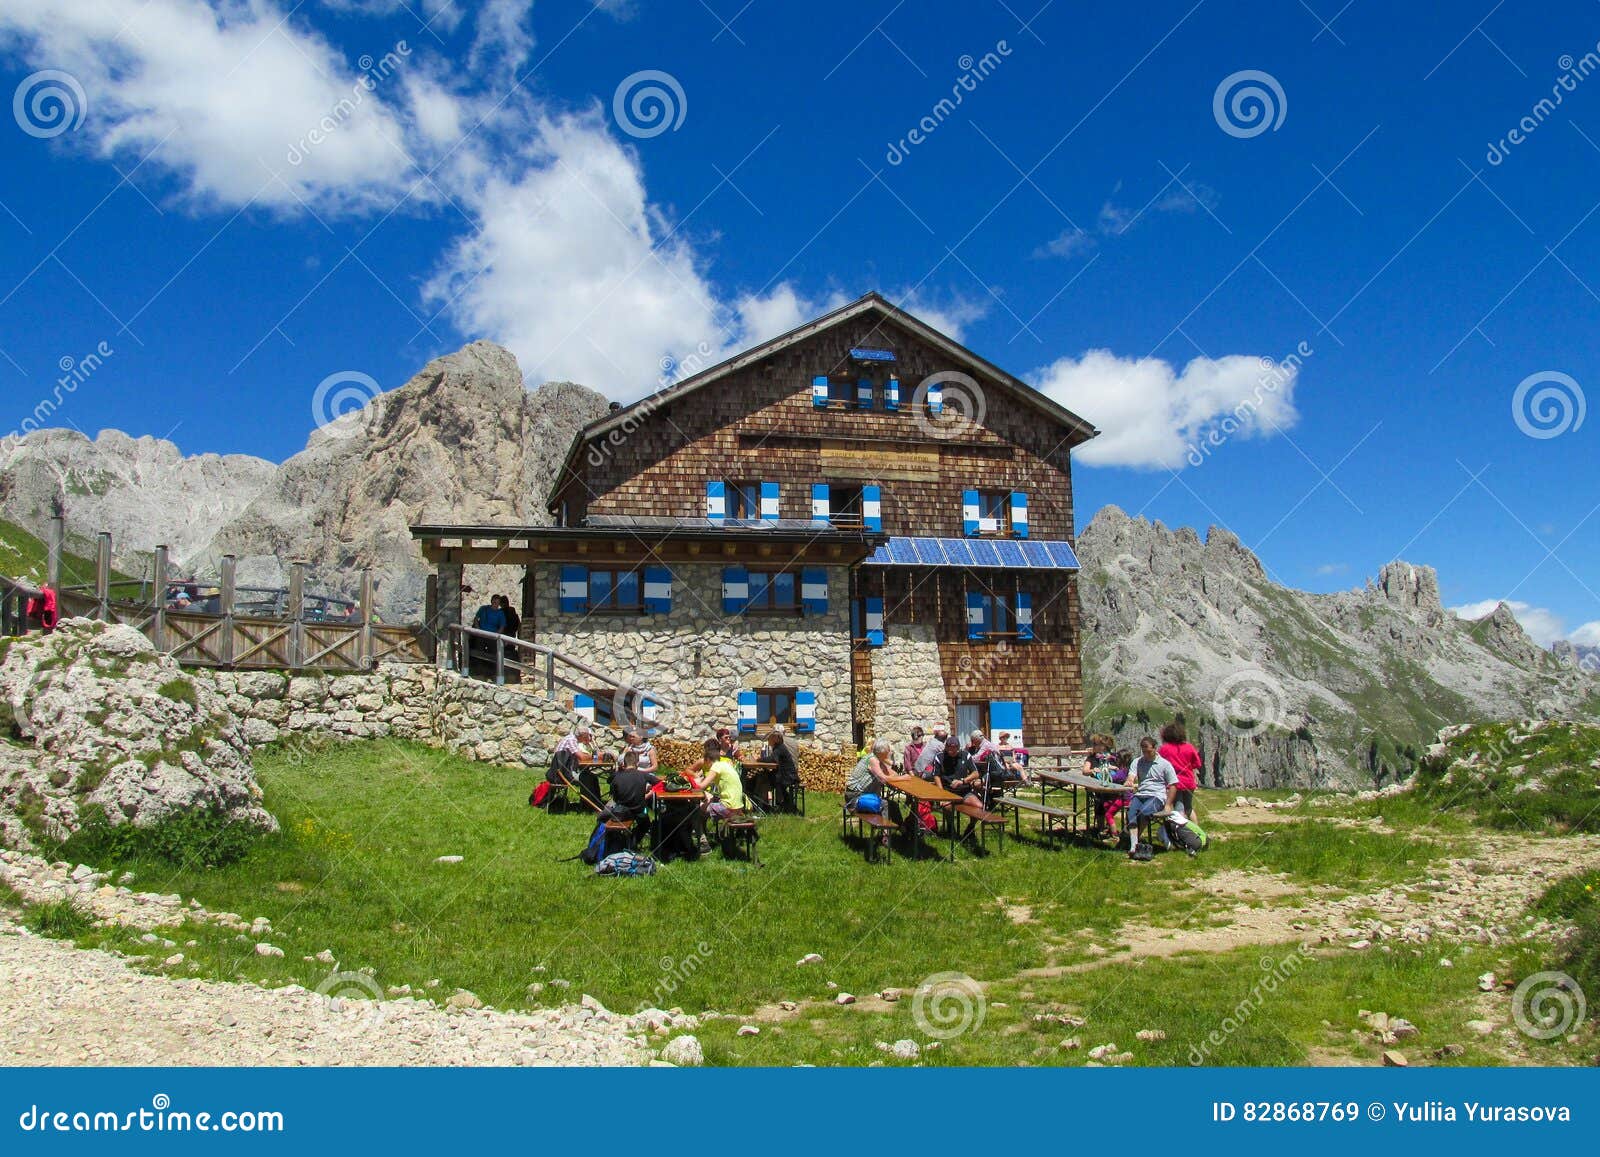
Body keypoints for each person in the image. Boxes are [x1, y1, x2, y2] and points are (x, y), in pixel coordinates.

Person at [1126, 736, 1179, 860]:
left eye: (1148, 751)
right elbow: (1131, 776)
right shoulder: (1137, 761)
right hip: (1140, 794)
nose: (1146, 754)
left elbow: (1173, 785)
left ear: (1155, 749)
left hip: (1156, 796)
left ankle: (1135, 840)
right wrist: (1129, 781)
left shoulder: (1165, 764)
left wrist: (1168, 803)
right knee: (1131, 813)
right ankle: (1133, 846)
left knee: (1145, 812)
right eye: (1143, 751)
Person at [603, 750, 660, 826]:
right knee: (646, 824)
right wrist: (650, 793)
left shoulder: (617, 776)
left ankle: (628, 836)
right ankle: (634, 837)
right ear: (637, 763)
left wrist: (617, 769)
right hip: (640, 810)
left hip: (620, 811)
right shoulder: (643, 775)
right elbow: (659, 783)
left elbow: (609, 782)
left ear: (624, 763)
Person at [1158, 720, 1202, 819]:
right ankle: (1196, 831)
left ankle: (1183, 831)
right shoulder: (1189, 747)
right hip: (1189, 782)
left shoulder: (1164, 749)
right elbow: (1197, 764)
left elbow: (1159, 765)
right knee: (1188, 807)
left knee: (1179, 808)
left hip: (1174, 783)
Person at [761, 726, 801, 814]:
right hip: (788, 775)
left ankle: (768, 805)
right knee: (767, 777)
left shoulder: (779, 748)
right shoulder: (779, 747)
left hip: (787, 776)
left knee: (765, 779)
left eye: (769, 739)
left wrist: (759, 760)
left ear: (774, 739)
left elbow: (773, 759)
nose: (768, 741)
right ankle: (783, 805)